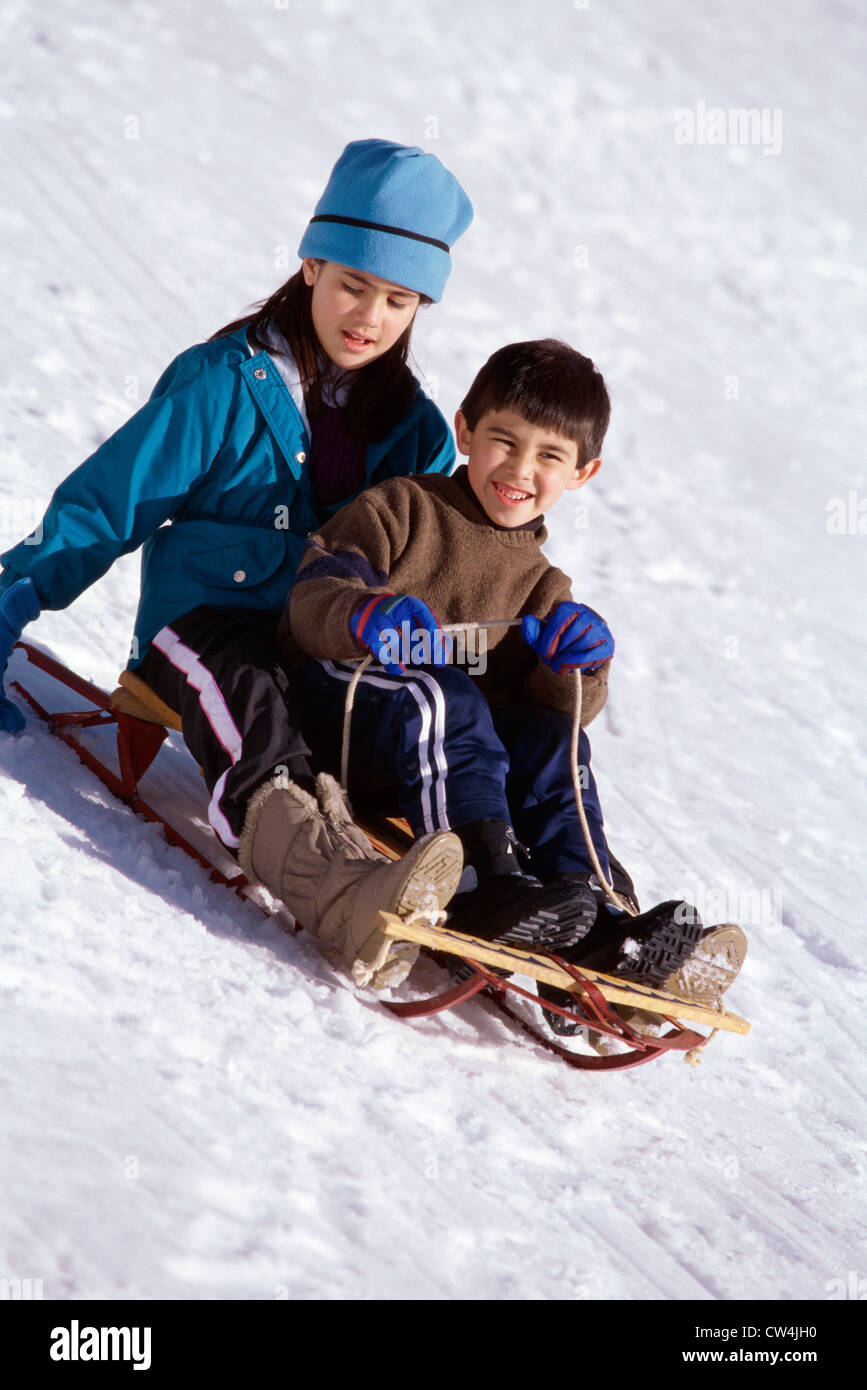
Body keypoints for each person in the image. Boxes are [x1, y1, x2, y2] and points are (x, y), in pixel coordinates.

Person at [0, 138, 476, 990]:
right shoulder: (223, 380)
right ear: (310, 263)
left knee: (426, 713)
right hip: (204, 629)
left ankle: (524, 893)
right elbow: (109, 504)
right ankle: (335, 893)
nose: (367, 315)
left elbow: (433, 561)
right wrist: (9, 601)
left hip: (326, 648)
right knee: (248, 694)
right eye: (351, 284)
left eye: (398, 299)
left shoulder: (416, 430)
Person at [283, 339, 710, 1023]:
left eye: (548, 456)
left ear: (582, 472)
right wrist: (366, 613)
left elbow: (561, 713)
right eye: (502, 443)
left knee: (550, 739)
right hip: (347, 724)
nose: (518, 469)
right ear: (464, 432)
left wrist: (576, 668)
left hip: (442, 765)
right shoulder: (402, 508)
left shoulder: (543, 585)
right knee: (440, 692)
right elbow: (312, 599)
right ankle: (482, 881)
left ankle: (592, 910)